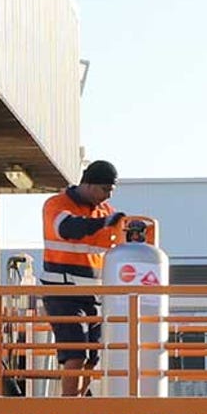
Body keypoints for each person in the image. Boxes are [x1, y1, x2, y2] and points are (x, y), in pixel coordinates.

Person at [40, 159, 125, 396]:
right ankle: (69, 411)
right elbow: (69, 228)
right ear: (88, 184)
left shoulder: (105, 212)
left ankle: (78, 405)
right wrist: (104, 222)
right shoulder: (56, 204)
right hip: (62, 291)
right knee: (76, 354)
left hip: (93, 295)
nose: (108, 196)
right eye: (105, 189)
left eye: (111, 190)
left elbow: (115, 245)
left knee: (93, 356)